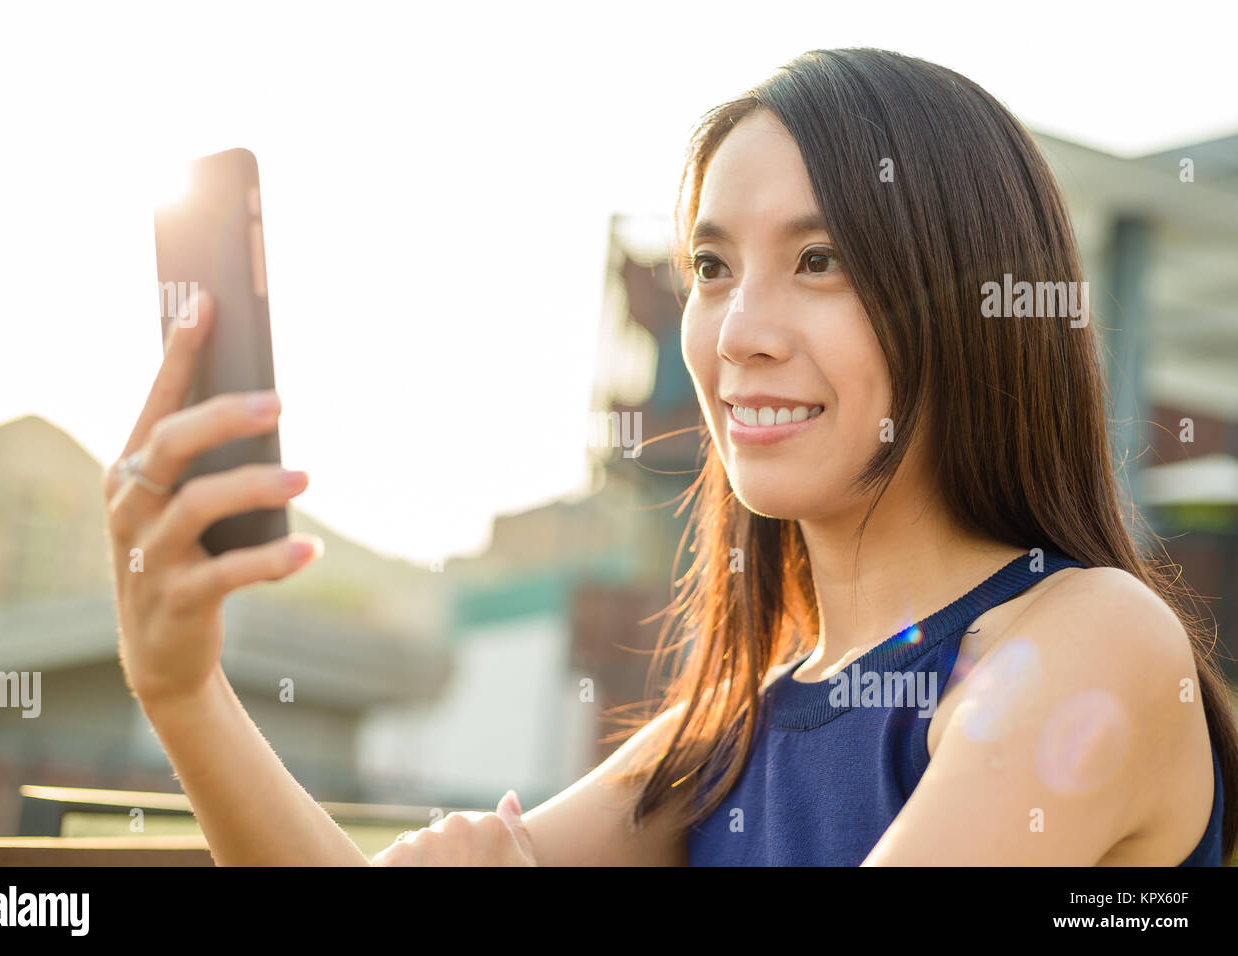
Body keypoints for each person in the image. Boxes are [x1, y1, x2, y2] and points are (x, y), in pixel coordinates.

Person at [102, 47, 1236, 866]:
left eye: (821, 258)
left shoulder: (1089, 637)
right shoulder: (732, 728)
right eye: (710, 265)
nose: (738, 328)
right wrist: (183, 689)